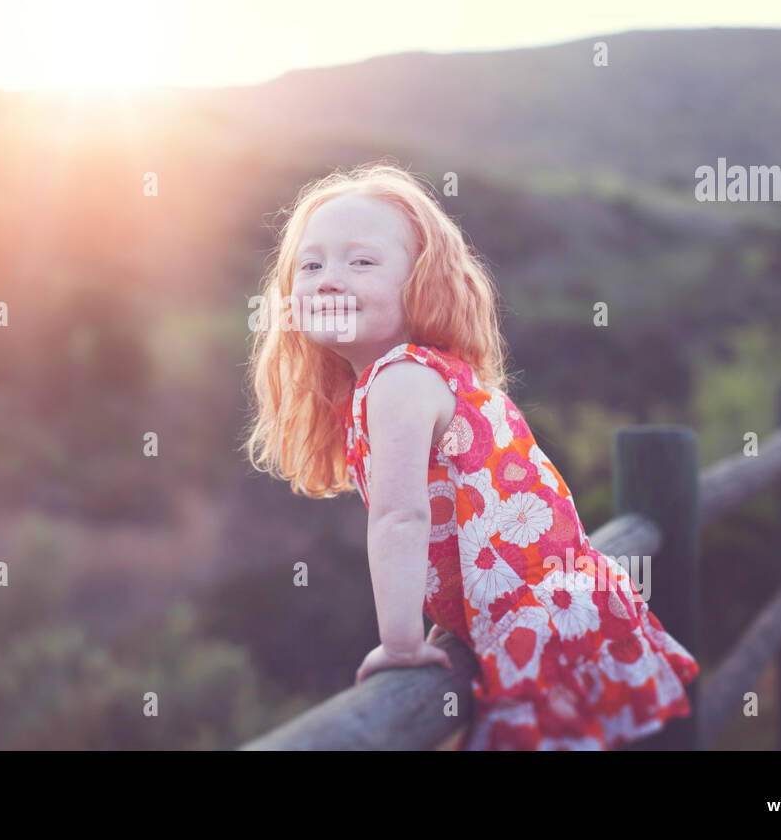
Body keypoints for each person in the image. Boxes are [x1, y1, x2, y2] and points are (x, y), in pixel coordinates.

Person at [242, 160, 700, 749]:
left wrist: (402, 643)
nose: (329, 279)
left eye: (361, 261)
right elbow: (461, 515)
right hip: (556, 615)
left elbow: (402, 516)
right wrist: (453, 617)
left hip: (538, 628)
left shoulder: (398, 381)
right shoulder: (418, 376)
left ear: (421, 284)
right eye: (311, 264)